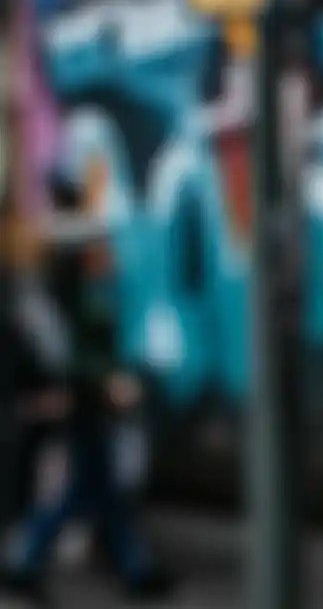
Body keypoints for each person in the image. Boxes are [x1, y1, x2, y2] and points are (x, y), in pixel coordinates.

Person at [2, 171, 169, 601]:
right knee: (94, 484)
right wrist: (104, 381)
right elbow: (75, 346)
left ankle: (127, 567)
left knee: (96, 484)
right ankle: (34, 559)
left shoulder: (61, 255)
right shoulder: (74, 261)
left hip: (82, 392)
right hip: (85, 395)